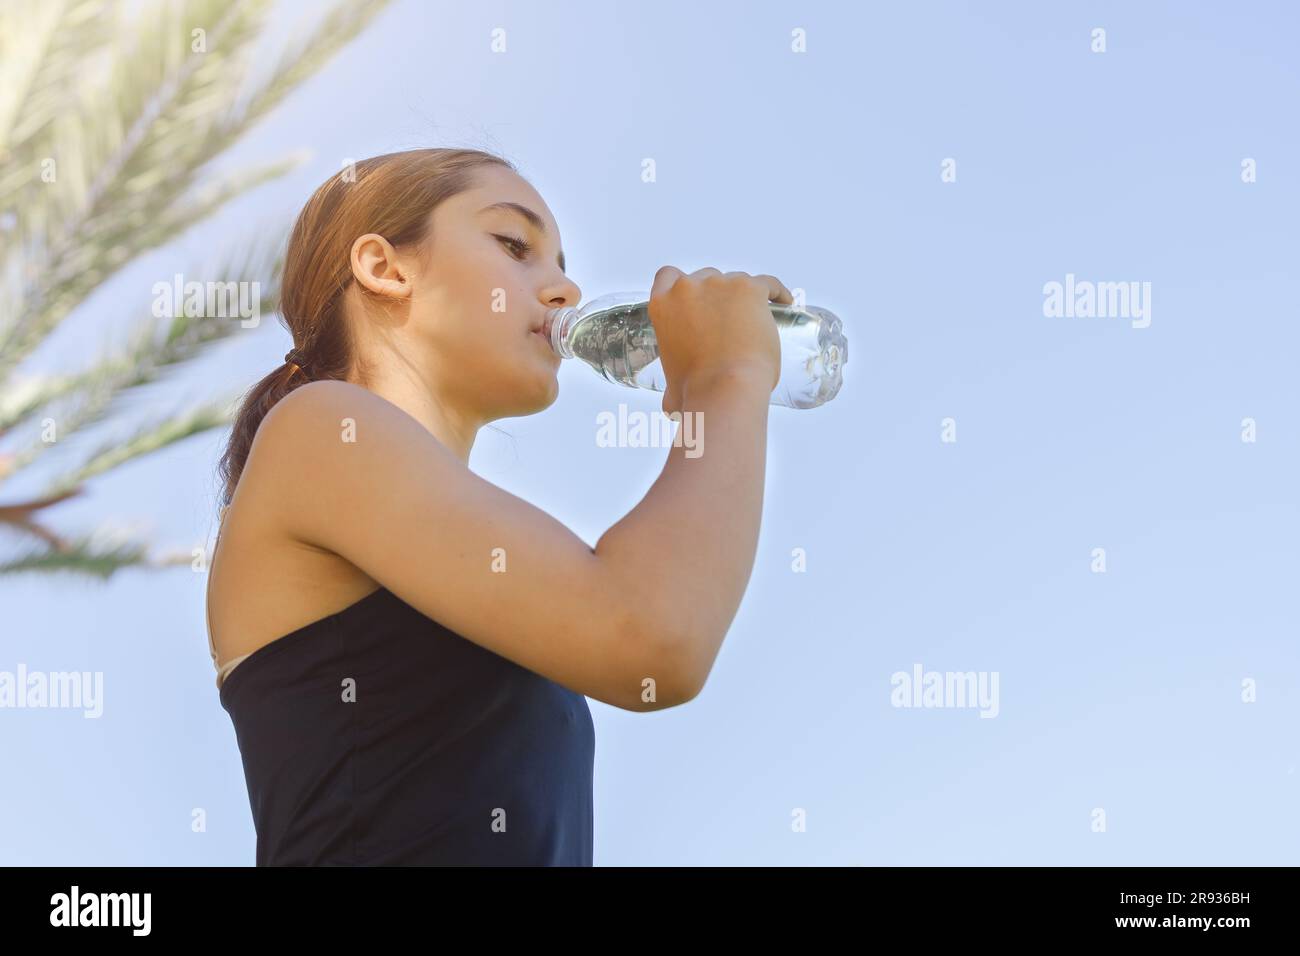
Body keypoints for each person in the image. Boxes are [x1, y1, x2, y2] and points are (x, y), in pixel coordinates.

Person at [206, 146, 791, 865]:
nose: (566, 291)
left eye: (563, 263)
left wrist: (717, 393)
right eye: (515, 245)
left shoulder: (436, 526)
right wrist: (728, 377)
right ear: (384, 268)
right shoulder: (320, 428)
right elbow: (657, 635)